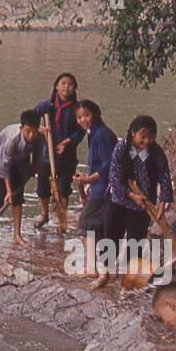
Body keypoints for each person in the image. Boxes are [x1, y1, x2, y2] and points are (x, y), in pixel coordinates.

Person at [93, 115, 174, 289]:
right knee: (110, 237)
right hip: (119, 199)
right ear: (133, 134)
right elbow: (114, 178)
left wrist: (163, 202)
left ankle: (127, 283)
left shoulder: (156, 153)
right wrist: (131, 195)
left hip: (142, 205)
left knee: (135, 242)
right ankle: (104, 274)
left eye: (151, 137)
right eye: (142, 136)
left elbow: (164, 176)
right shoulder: (121, 148)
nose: (147, 141)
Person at [72, 99, 117, 276]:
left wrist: (88, 179)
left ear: (95, 114)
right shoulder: (94, 133)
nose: (83, 120)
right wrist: (89, 181)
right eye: (80, 117)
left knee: (86, 223)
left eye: (87, 115)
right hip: (99, 187)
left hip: (105, 189)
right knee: (99, 226)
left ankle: (92, 267)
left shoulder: (102, 135)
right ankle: (106, 267)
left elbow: (107, 165)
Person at [33, 72, 82, 232]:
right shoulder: (47, 105)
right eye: (63, 83)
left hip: (67, 155)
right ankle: (44, 214)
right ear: (56, 86)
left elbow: (81, 130)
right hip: (46, 153)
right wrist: (41, 129)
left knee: (63, 187)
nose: (66, 87)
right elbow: (30, 119)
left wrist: (67, 142)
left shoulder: (77, 109)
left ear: (74, 88)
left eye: (70, 84)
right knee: (43, 186)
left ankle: (62, 218)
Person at [0, 109, 44, 247]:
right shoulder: (12, 139)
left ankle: (17, 236)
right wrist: (8, 191)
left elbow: (38, 157)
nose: (31, 135)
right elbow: (4, 166)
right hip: (1, 159)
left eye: (34, 131)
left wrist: (34, 168)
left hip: (21, 159)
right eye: (28, 131)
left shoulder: (39, 137)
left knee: (18, 199)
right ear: (21, 128)